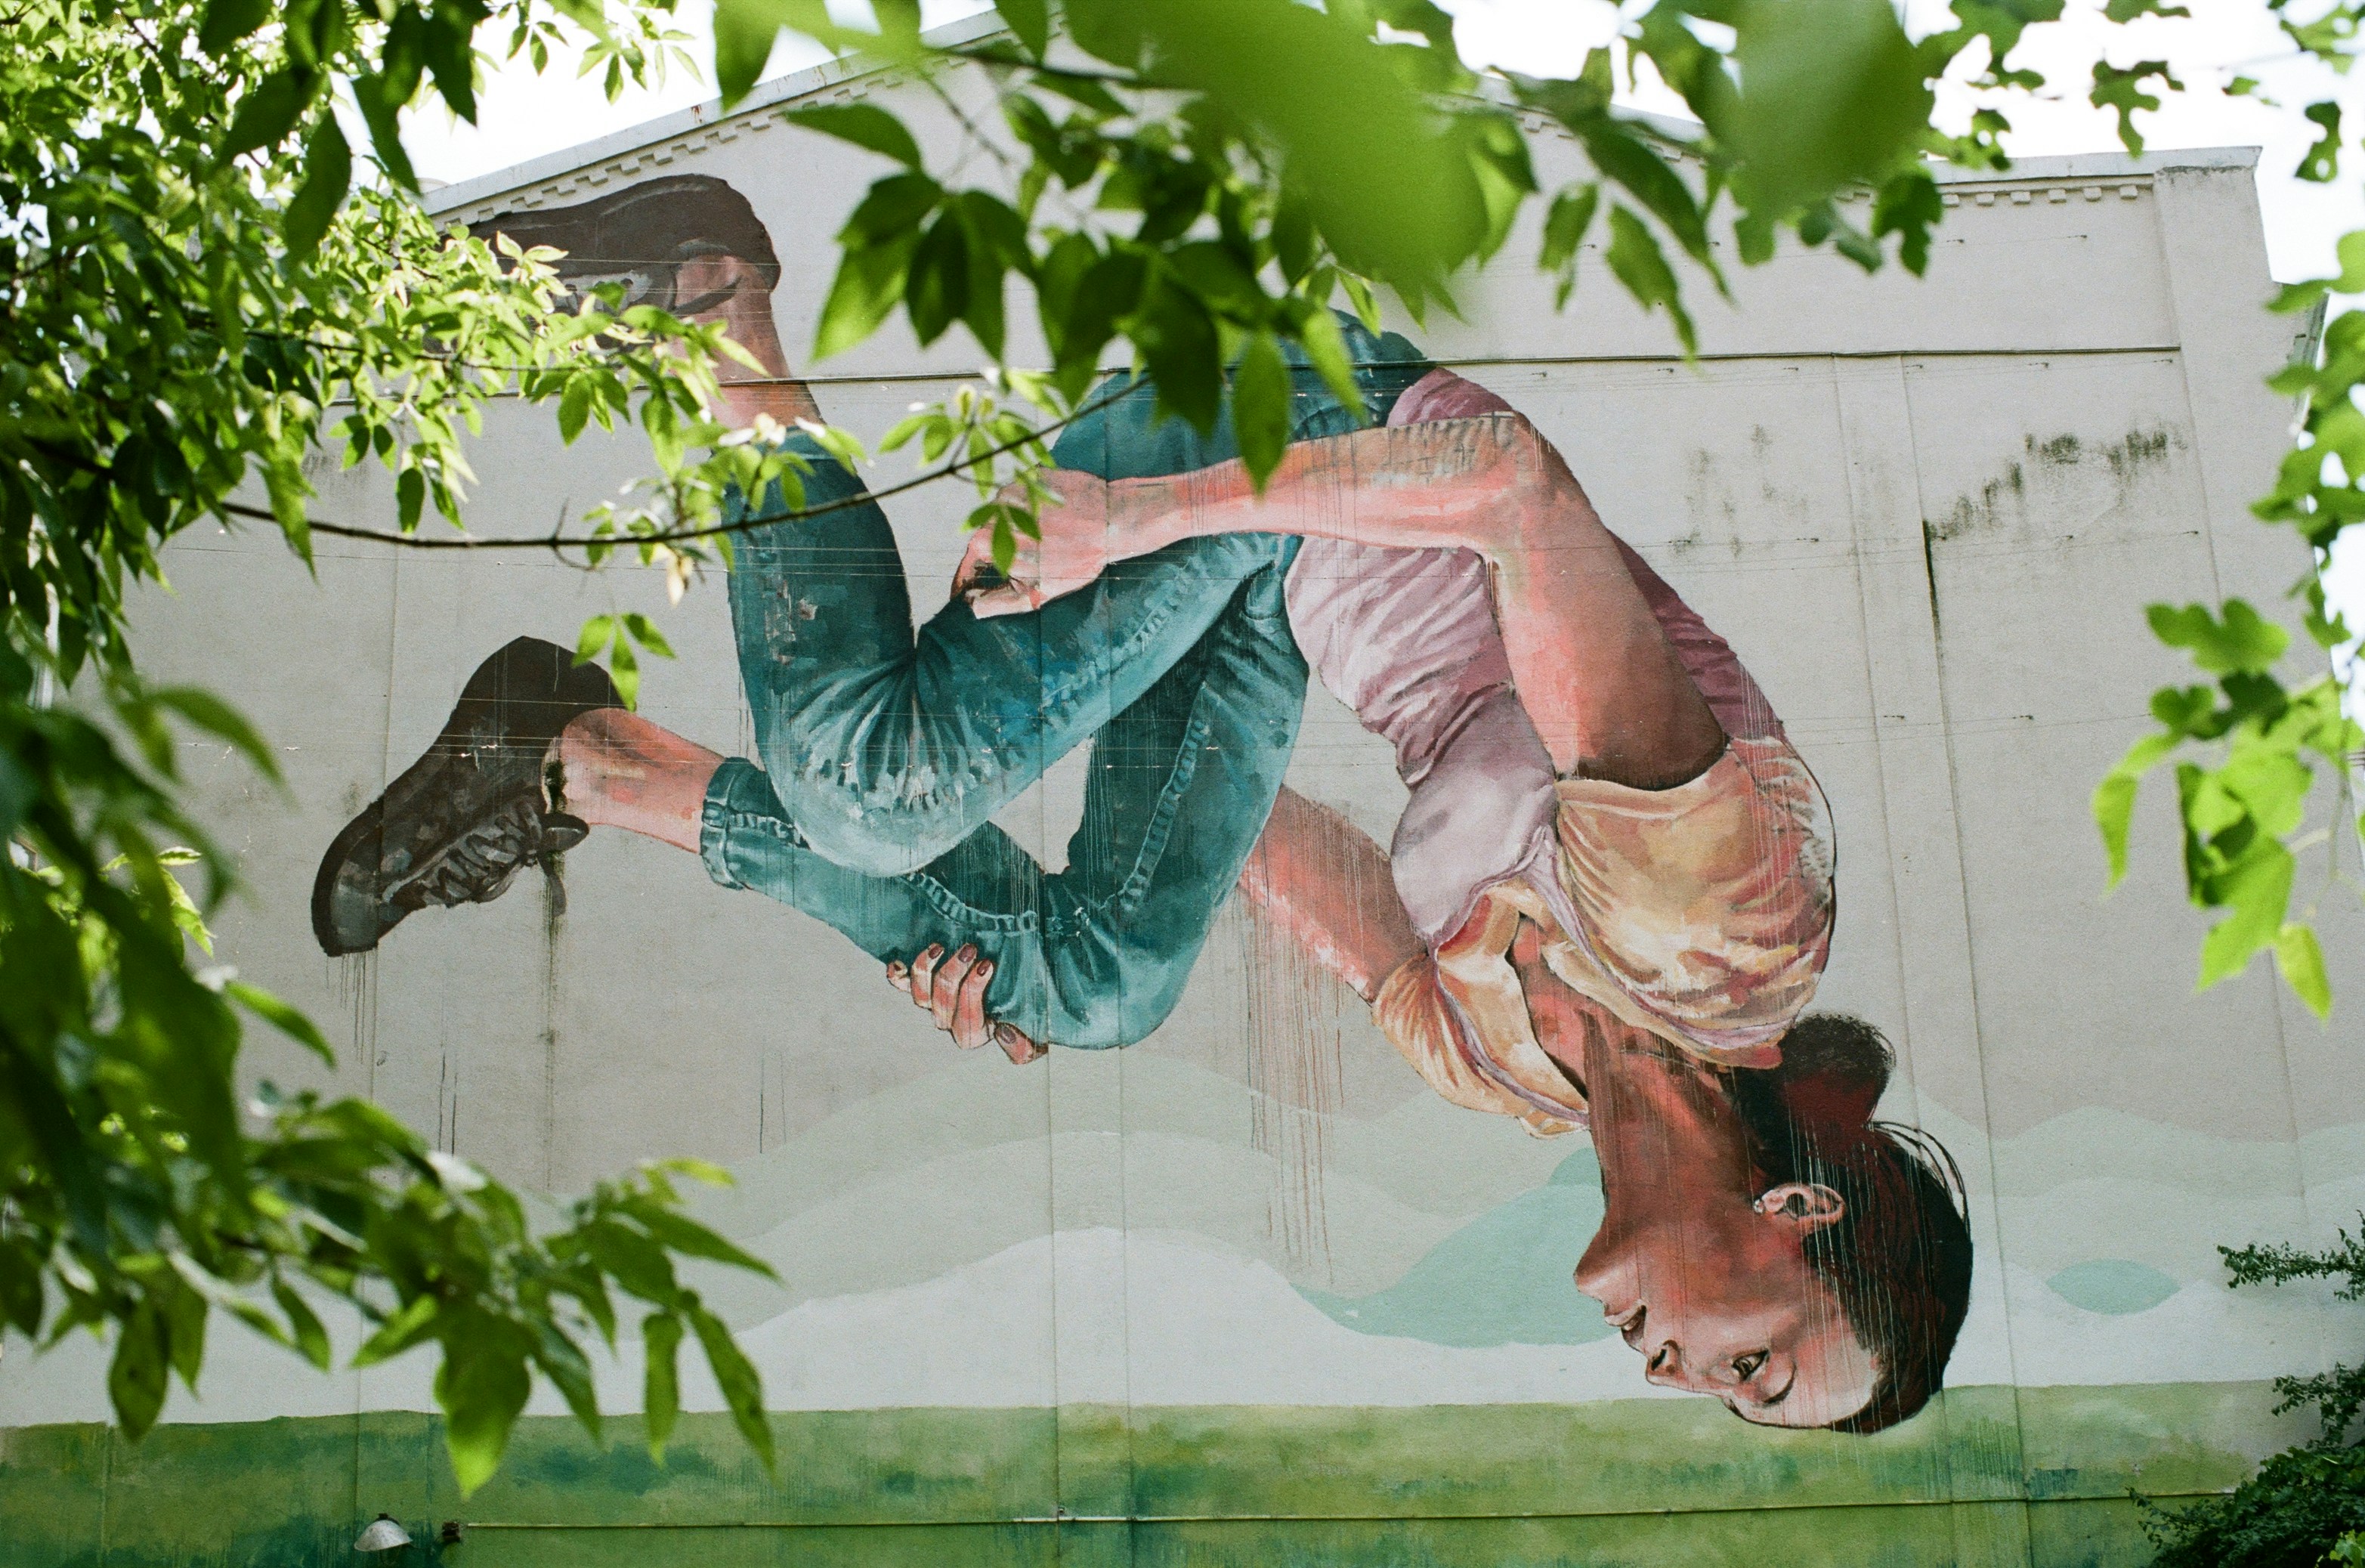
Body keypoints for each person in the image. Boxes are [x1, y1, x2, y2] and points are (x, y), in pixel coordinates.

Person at [311, 175, 1969, 1431]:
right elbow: (1512, 492)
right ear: (1798, 1215)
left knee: (1090, 986)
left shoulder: (1500, 1073)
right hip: (1307, 430)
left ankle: (571, 755)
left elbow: (1254, 839)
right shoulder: (1728, 928)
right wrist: (1134, 523)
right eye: (1752, 1365)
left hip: (1268, 591)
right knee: (877, 790)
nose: (1678, 1380)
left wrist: (1008, 937)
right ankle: (707, 308)